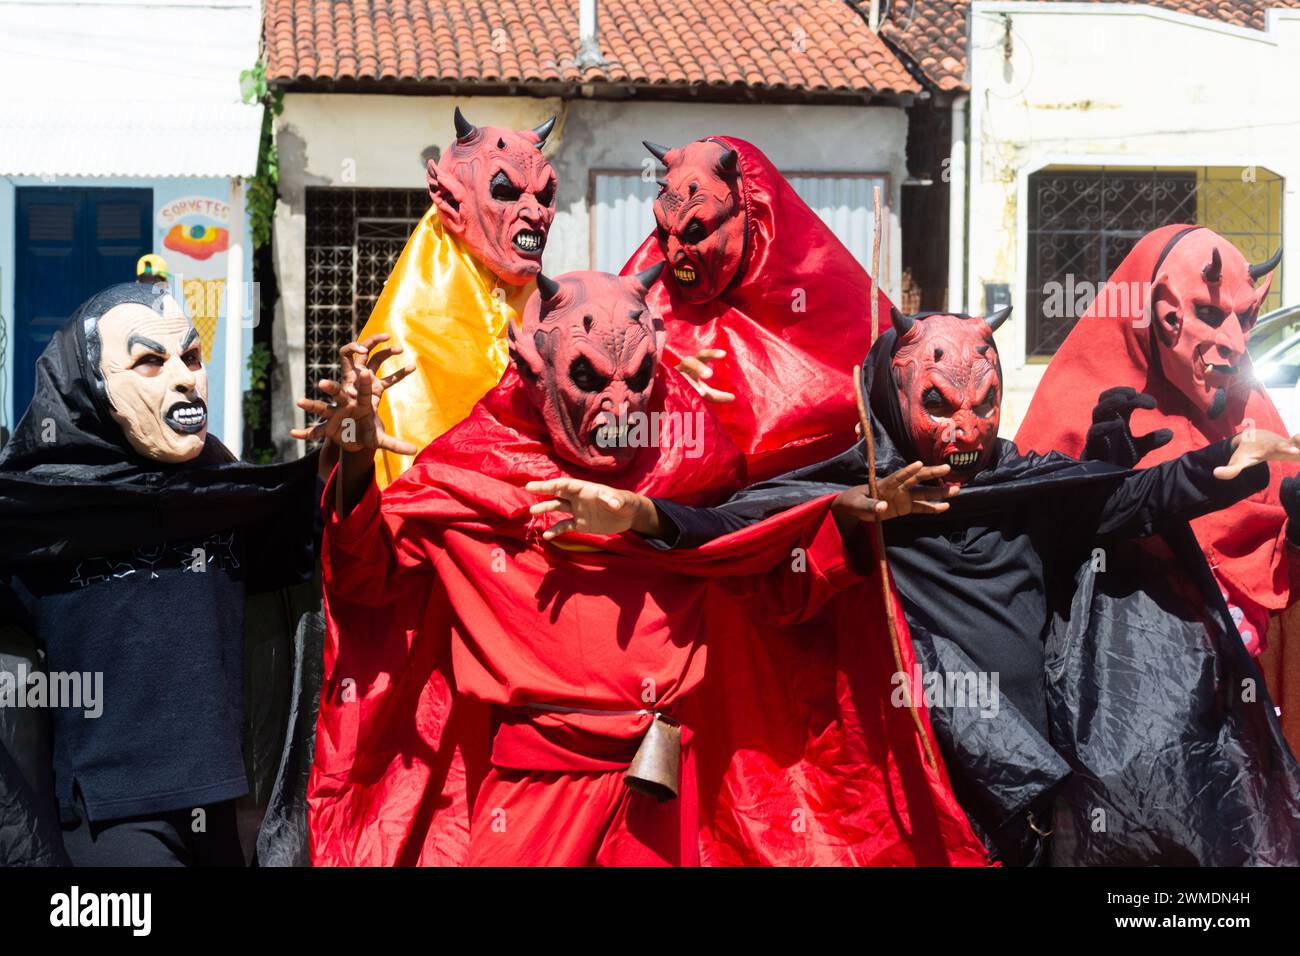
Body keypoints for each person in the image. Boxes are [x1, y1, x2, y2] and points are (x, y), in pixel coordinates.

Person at [546, 307, 1300, 865]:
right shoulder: (853, 486)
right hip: (917, 776)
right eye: (940, 404)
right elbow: (742, 530)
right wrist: (640, 513)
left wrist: (1218, 466)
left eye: (983, 403)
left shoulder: (1023, 481)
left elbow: (1125, 500)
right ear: (893, 395)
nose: (965, 429)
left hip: (1036, 780)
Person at [300, 268, 985, 866]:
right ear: (533, 369)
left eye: (637, 380)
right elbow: (367, 581)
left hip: (660, 779)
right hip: (532, 791)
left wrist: (851, 519)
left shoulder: (688, 476)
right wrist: (356, 452)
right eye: (590, 379)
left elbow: (766, 580)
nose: (620, 406)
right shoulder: (471, 475)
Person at [0, 283, 320, 865]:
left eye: (192, 358)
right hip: (111, 822)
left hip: (222, 814)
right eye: (150, 360)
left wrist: (356, 452)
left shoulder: (227, 498)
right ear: (89, 386)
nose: (184, 378)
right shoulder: (42, 512)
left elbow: (331, 548)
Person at [1015, 225, 1300, 749]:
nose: (1235, 344)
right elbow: (1031, 555)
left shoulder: (1248, 408)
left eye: (1246, 318)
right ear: (1162, 313)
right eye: (1210, 314)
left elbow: (1282, 549)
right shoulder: (1080, 406)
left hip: (1241, 719)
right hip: (1125, 723)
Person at [622, 136, 897, 480]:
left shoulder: (817, 296)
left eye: (695, 231)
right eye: (665, 233)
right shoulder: (643, 303)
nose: (674, 252)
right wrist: (659, 389)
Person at [358, 107, 559, 486]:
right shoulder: (405, 341)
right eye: (505, 192)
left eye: (545, 194)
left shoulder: (545, 322)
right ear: (449, 200)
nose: (535, 212)